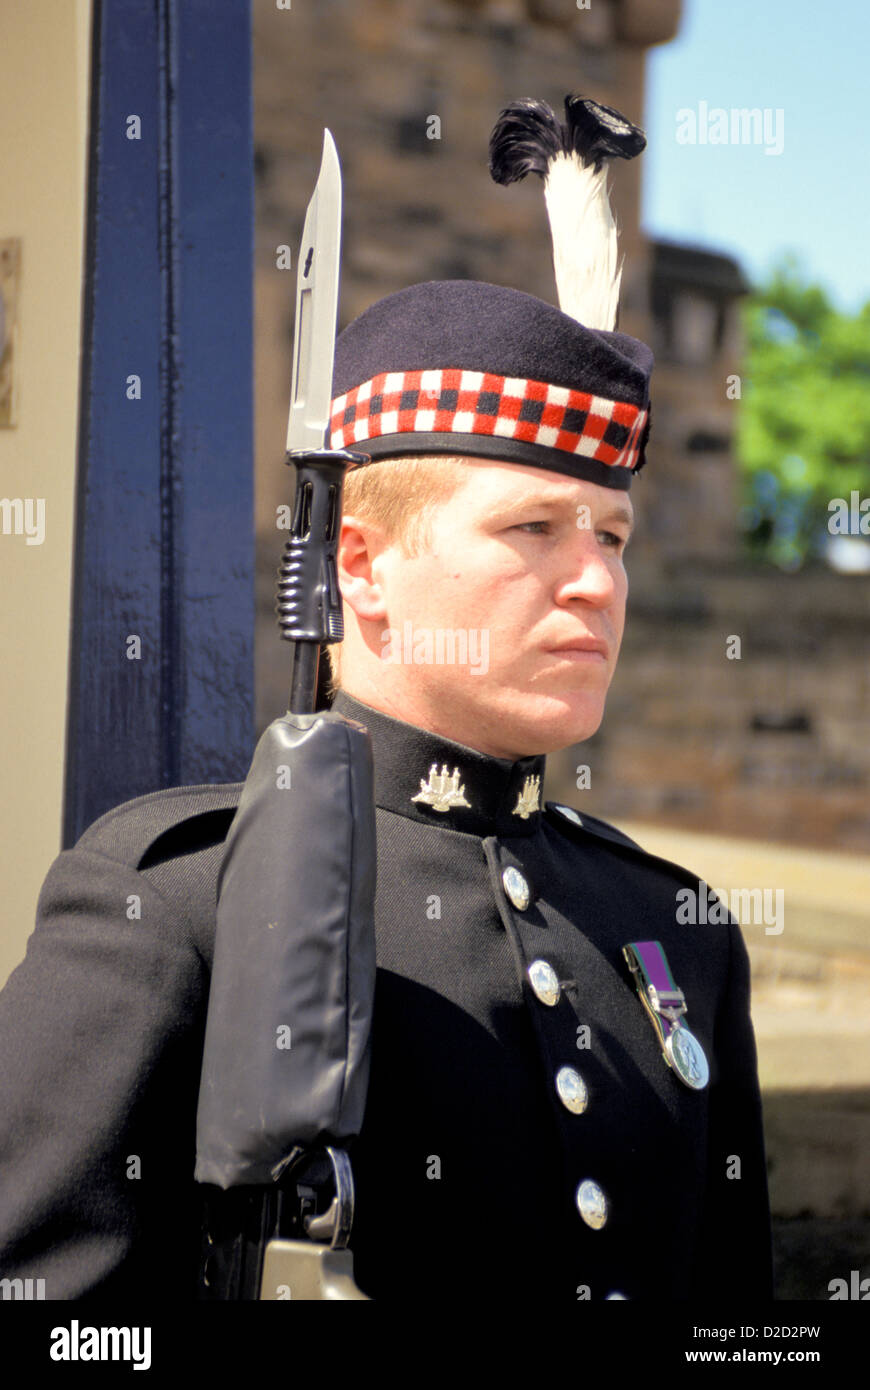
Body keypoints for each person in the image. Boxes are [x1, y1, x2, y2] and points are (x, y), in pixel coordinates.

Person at [0, 99, 773, 1302]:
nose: (597, 582)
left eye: (613, 534)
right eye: (533, 528)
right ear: (358, 561)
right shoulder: (174, 898)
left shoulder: (677, 926)